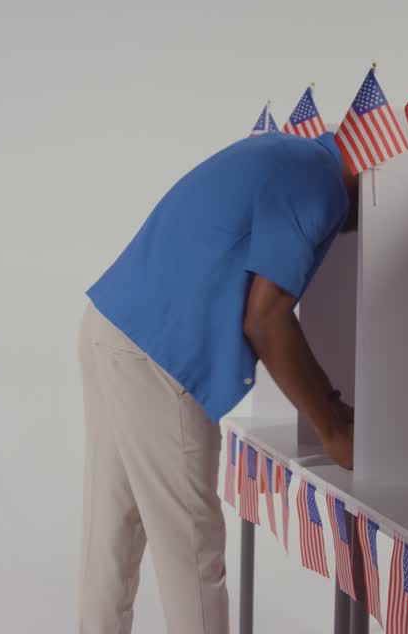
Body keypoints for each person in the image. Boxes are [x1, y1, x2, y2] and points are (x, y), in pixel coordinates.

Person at [77, 127, 359, 633]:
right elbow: (266, 319)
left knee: (113, 536)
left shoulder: (288, 153)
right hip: (156, 354)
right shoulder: (318, 182)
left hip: (111, 325)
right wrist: (335, 423)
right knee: (192, 546)